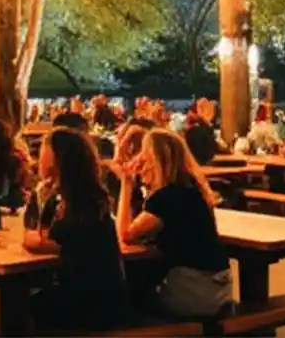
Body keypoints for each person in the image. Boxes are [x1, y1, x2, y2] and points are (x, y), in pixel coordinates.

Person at [118, 129, 231, 319]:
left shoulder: (166, 198)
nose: (141, 166)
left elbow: (125, 235)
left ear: (156, 162)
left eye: (144, 159)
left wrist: (126, 184)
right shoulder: (192, 190)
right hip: (218, 290)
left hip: (195, 294)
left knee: (130, 296)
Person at [24, 128, 129, 331]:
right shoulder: (63, 196)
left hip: (96, 301)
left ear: (59, 159)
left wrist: (36, 241)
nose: (39, 158)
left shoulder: (84, 202)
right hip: (84, 290)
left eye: (45, 150)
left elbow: (48, 243)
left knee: (30, 306)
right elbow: (41, 232)